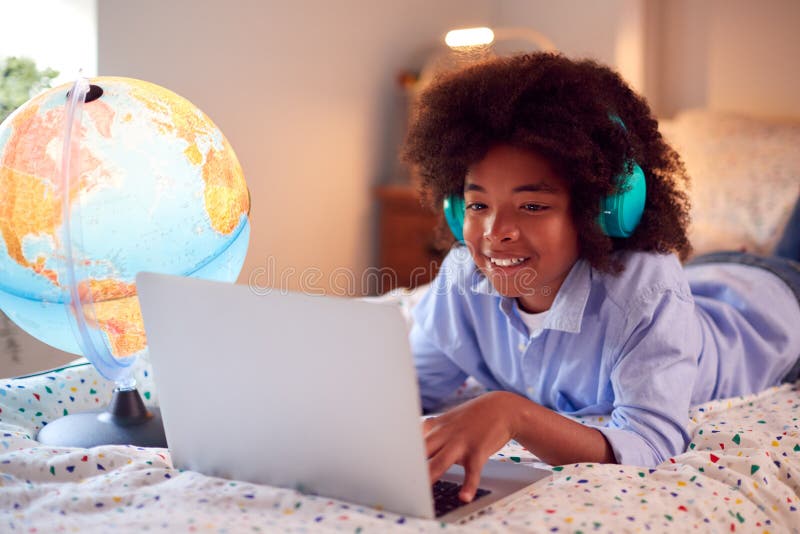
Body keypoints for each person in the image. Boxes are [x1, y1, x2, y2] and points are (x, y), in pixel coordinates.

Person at [401, 52, 800, 504]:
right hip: (710, 276)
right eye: (477, 205)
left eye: (532, 206)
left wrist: (513, 414)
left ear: (599, 211)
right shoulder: (462, 278)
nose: (495, 233)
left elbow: (649, 443)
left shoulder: (647, 289)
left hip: (776, 305)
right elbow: (411, 391)